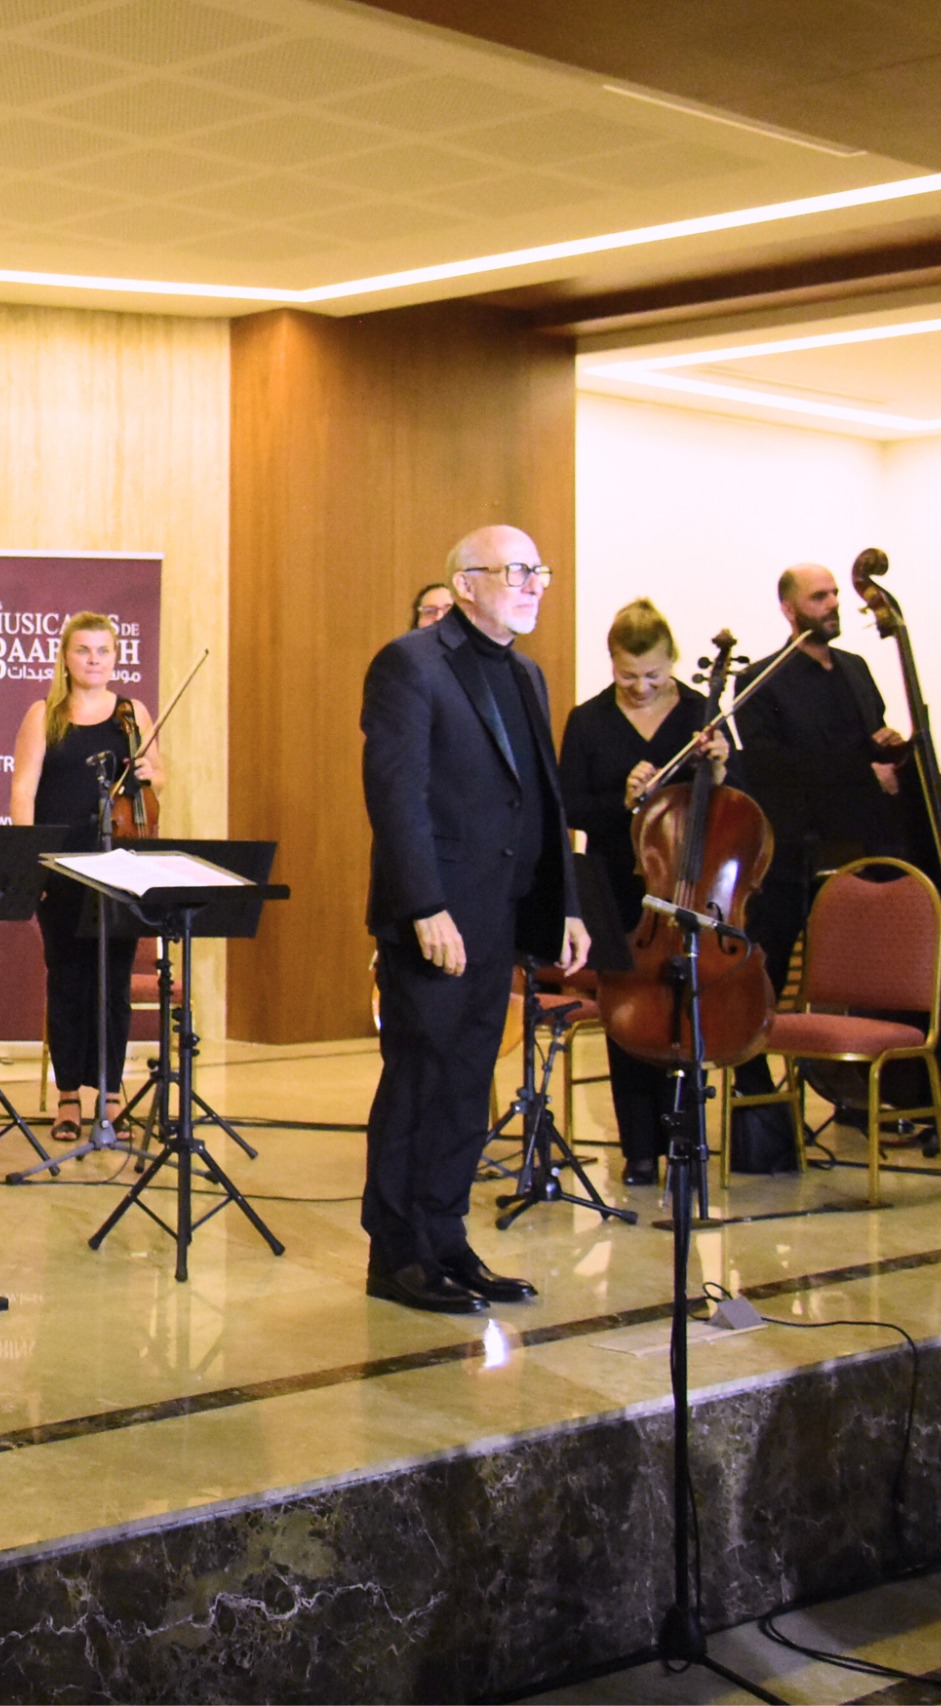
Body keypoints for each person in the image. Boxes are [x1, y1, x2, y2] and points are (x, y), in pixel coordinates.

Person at [360, 525, 586, 1314]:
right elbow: (397, 798)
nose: (533, 584)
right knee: (420, 1080)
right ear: (465, 583)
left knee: (466, 1082)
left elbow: (544, 800)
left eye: (539, 571)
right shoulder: (409, 664)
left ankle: (446, 1238)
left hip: (502, 915)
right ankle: (397, 1254)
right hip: (437, 918)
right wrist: (425, 905)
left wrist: (566, 905)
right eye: (516, 570)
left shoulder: (525, 673)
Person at [726, 561, 910, 1170]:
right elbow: (782, 772)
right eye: (820, 596)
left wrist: (885, 746)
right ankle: (754, 1080)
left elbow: (866, 739)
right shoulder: (761, 682)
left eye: (835, 594)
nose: (833, 603)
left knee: (870, 973)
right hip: (794, 852)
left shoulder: (855, 670)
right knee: (769, 964)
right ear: (789, 609)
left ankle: (865, 1092)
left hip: (860, 847)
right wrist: (862, 771)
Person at [555, 599, 724, 1186]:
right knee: (627, 1013)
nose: (641, 687)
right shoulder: (590, 720)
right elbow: (570, 805)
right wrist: (623, 801)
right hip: (617, 885)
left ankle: (687, 1139)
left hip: (687, 884)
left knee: (684, 1012)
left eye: (653, 675)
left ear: (672, 661)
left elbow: (737, 801)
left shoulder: (702, 715)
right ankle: (640, 1149)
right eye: (627, 676)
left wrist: (722, 768)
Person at [7, 613, 163, 1144]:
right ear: (67, 659)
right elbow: (23, 791)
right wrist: (32, 862)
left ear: (115, 657)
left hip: (119, 864)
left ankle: (111, 1092)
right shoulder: (45, 714)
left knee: (114, 982)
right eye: (84, 650)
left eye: (103, 651)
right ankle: (69, 1094)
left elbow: (158, 774)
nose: (94, 659)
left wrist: (148, 772)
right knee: (68, 979)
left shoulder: (131, 714)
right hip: (61, 865)